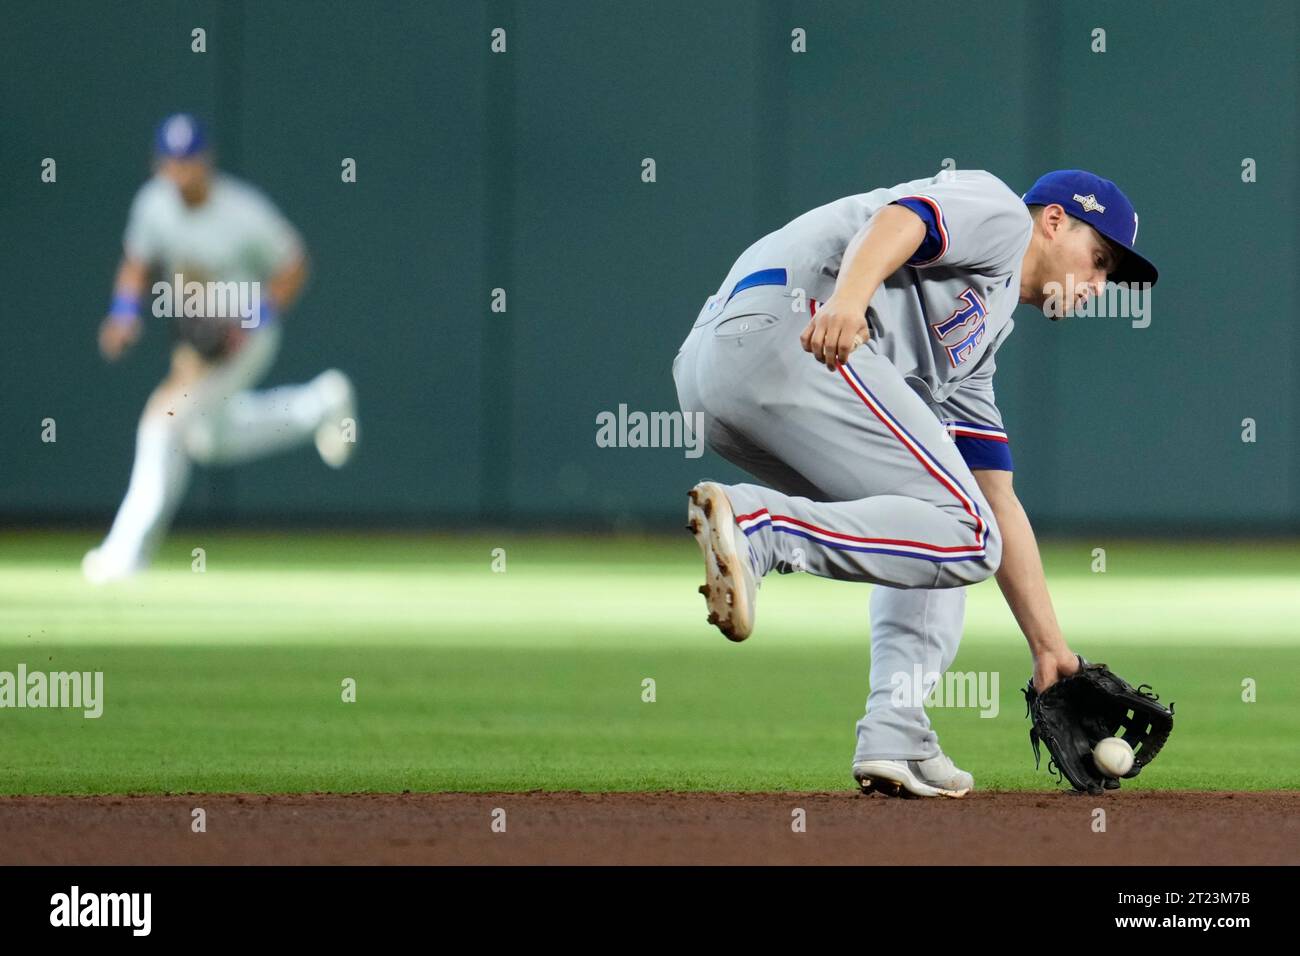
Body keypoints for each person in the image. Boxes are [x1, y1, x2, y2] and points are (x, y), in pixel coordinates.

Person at [675, 168, 1157, 797]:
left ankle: (895, 732)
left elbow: (994, 497)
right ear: (1055, 220)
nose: (1099, 285)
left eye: (1108, 276)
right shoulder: (1003, 215)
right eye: (1098, 260)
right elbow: (903, 219)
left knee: (944, 528)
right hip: (797, 332)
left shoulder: (982, 336)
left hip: (715, 379)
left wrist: (1051, 650)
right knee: (967, 534)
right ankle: (761, 529)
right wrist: (849, 301)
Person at [84, 113, 357, 584]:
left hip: (242, 339)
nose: (181, 172)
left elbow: (294, 266)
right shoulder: (154, 205)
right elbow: (136, 262)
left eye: (189, 162)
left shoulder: (242, 211)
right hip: (196, 340)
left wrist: (252, 321)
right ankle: (319, 404)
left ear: (206, 161)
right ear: (159, 164)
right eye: (172, 163)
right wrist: (124, 312)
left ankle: (125, 552)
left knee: (161, 422)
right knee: (209, 441)